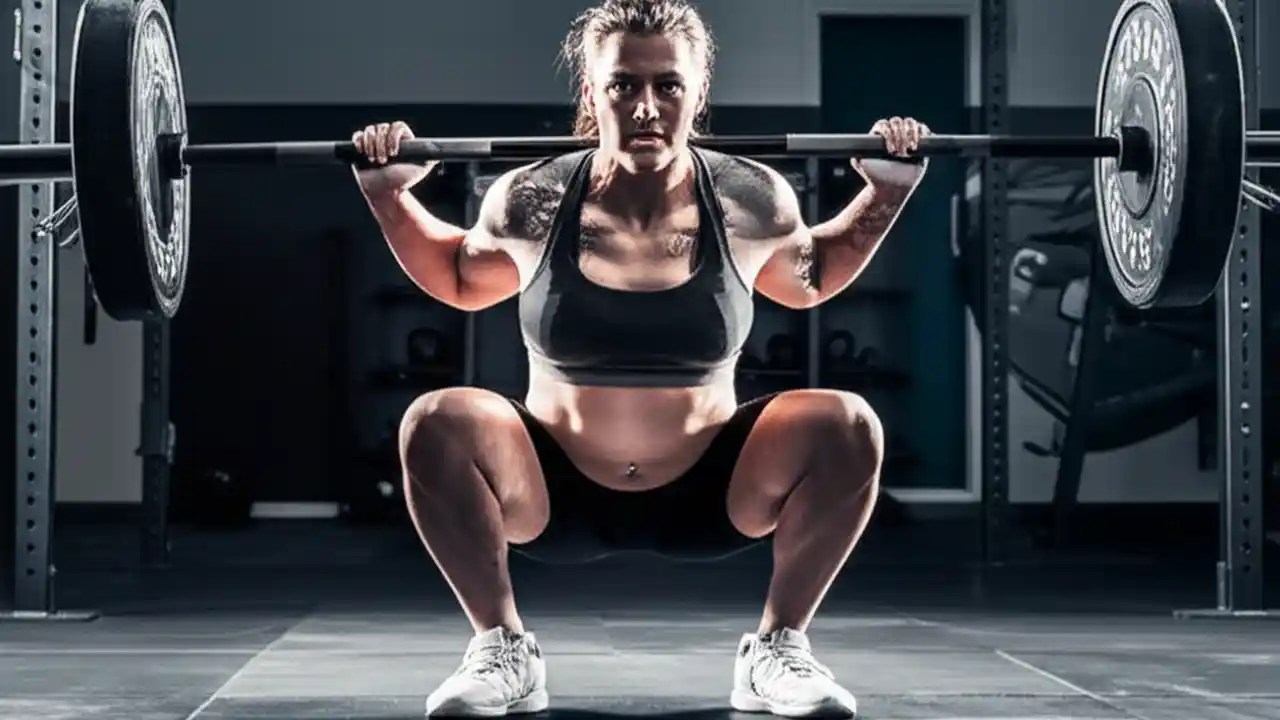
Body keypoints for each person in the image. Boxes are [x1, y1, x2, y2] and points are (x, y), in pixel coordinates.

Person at [352, 0, 928, 716]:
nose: (647, 107)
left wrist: (888, 192)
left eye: (669, 86)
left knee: (848, 422)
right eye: (624, 85)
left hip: (713, 494)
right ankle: (502, 648)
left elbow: (810, 275)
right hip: (553, 494)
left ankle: (778, 650)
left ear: (698, 93)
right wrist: (387, 199)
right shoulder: (533, 198)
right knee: (435, 419)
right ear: (592, 94)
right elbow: (462, 279)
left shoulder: (748, 198)